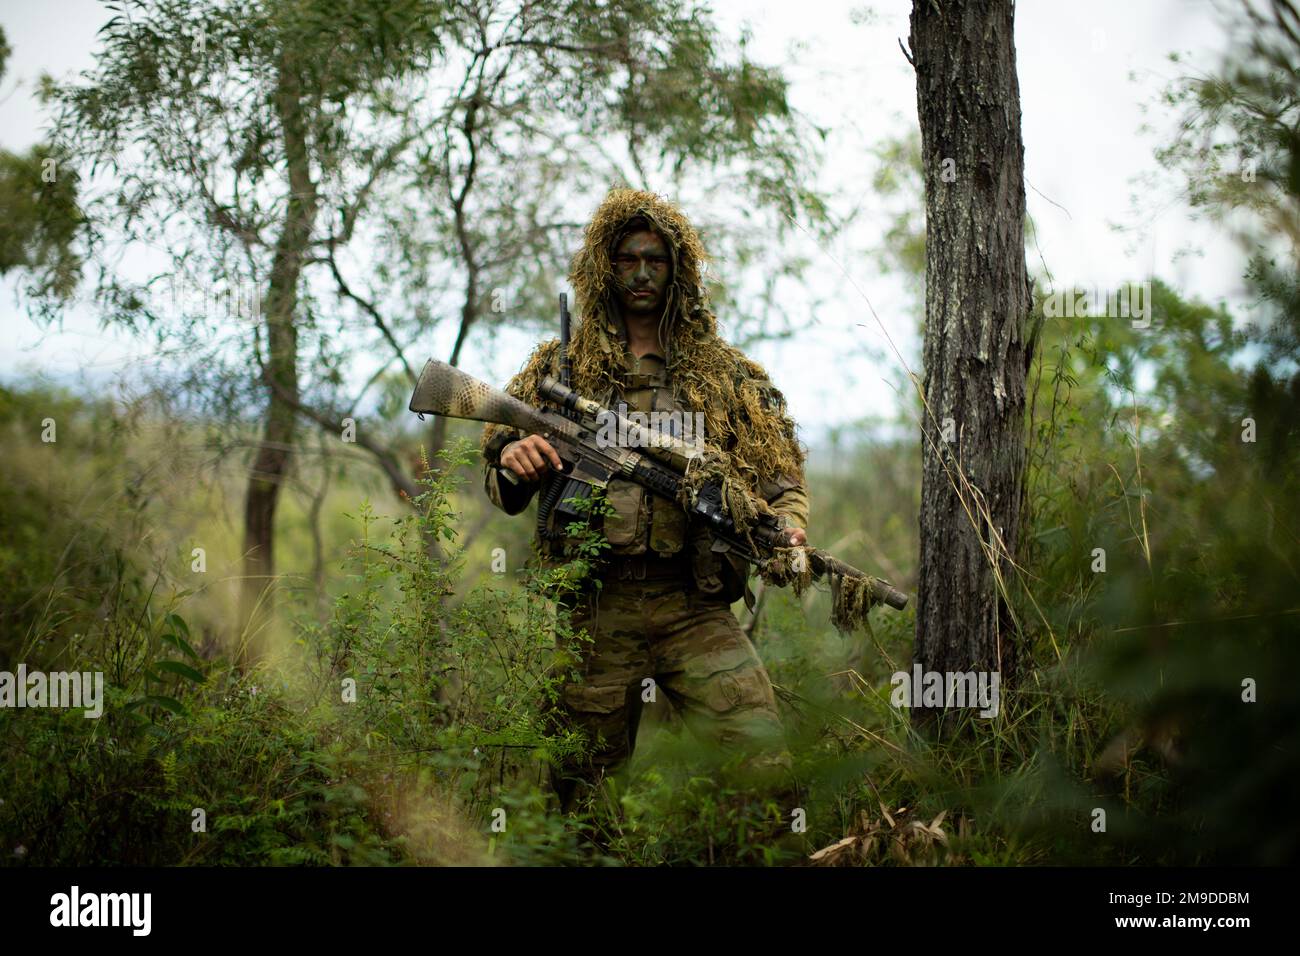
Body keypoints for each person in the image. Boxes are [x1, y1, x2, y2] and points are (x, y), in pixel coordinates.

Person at [480, 187, 810, 815]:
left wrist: (788, 530)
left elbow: (782, 481)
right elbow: (504, 486)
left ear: (677, 271)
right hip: (595, 612)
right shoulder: (561, 369)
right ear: (605, 266)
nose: (639, 273)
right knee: (582, 803)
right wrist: (513, 459)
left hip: (696, 608)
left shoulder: (724, 376)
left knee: (764, 771)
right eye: (627, 257)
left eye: (655, 261)